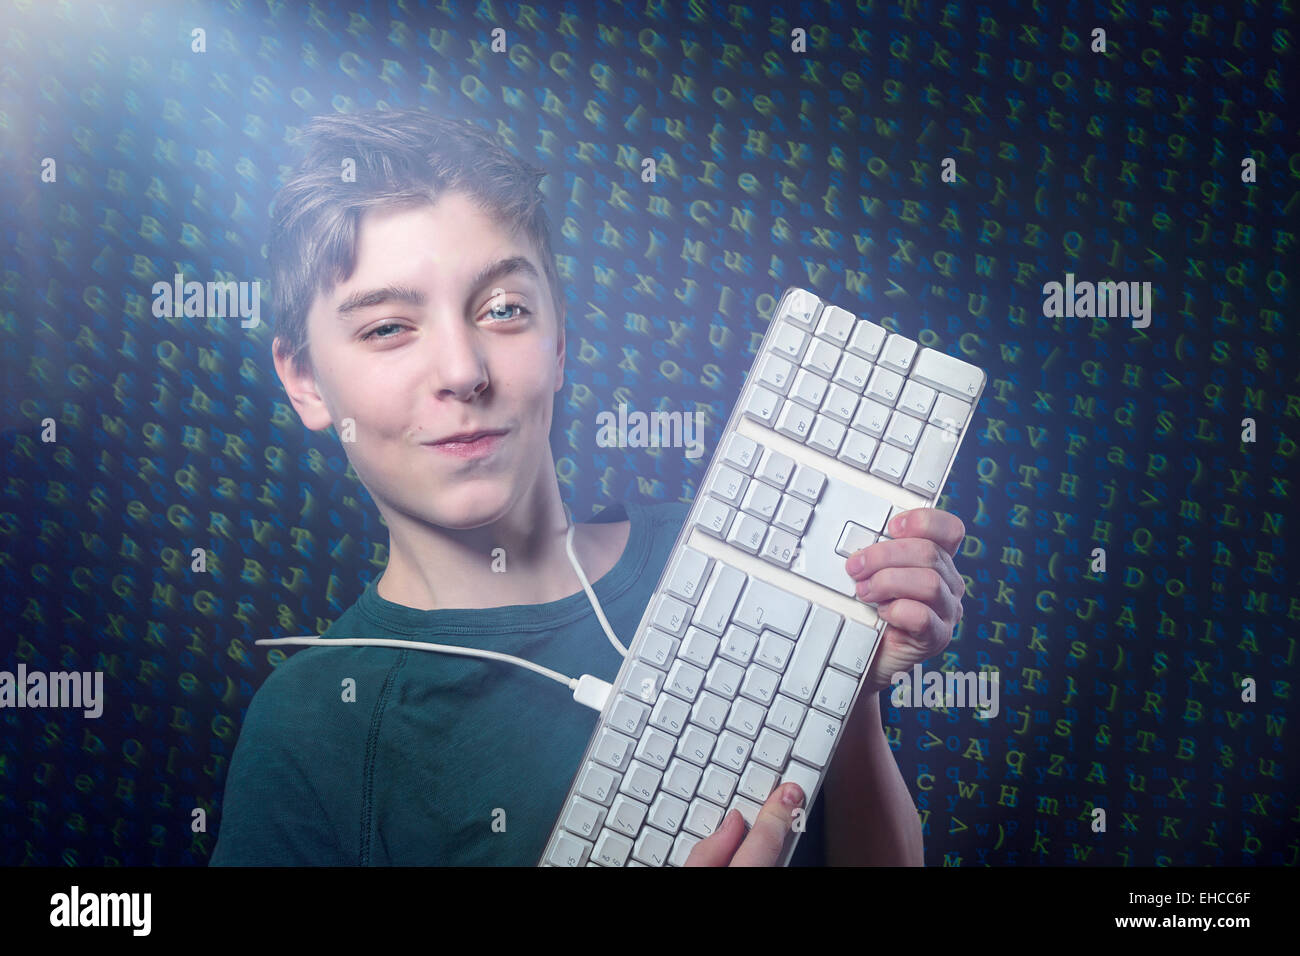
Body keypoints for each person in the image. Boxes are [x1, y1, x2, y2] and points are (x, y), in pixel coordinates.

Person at [209, 108, 966, 867]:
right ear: (304, 379)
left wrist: (847, 688)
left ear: (561, 339)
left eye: (504, 310)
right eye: (386, 328)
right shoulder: (307, 729)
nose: (462, 370)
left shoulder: (722, 550)